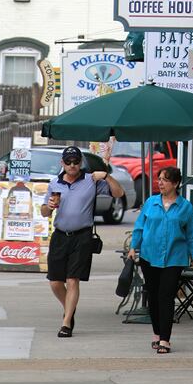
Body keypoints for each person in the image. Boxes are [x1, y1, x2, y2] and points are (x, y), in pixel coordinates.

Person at [42, 145, 126, 338]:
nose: (72, 165)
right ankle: (70, 310)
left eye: (76, 161)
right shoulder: (55, 183)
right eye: (69, 162)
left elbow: (119, 193)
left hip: (82, 235)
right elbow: (44, 212)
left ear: (81, 162)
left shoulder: (91, 180)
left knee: (72, 280)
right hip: (60, 234)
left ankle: (66, 323)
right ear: (62, 163)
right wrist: (49, 207)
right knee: (55, 282)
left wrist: (106, 176)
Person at [128, 166, 193, 354]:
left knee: (166, 296)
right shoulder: (151, 203)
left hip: (174, 258)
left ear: (176, 183)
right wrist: (133, 247)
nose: (160, 183)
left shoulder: (185, 207)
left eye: (165, 180)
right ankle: (156, 333)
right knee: (153, 295)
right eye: (159, 178)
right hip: (149, 255)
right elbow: (139, 226)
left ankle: (165, 339)